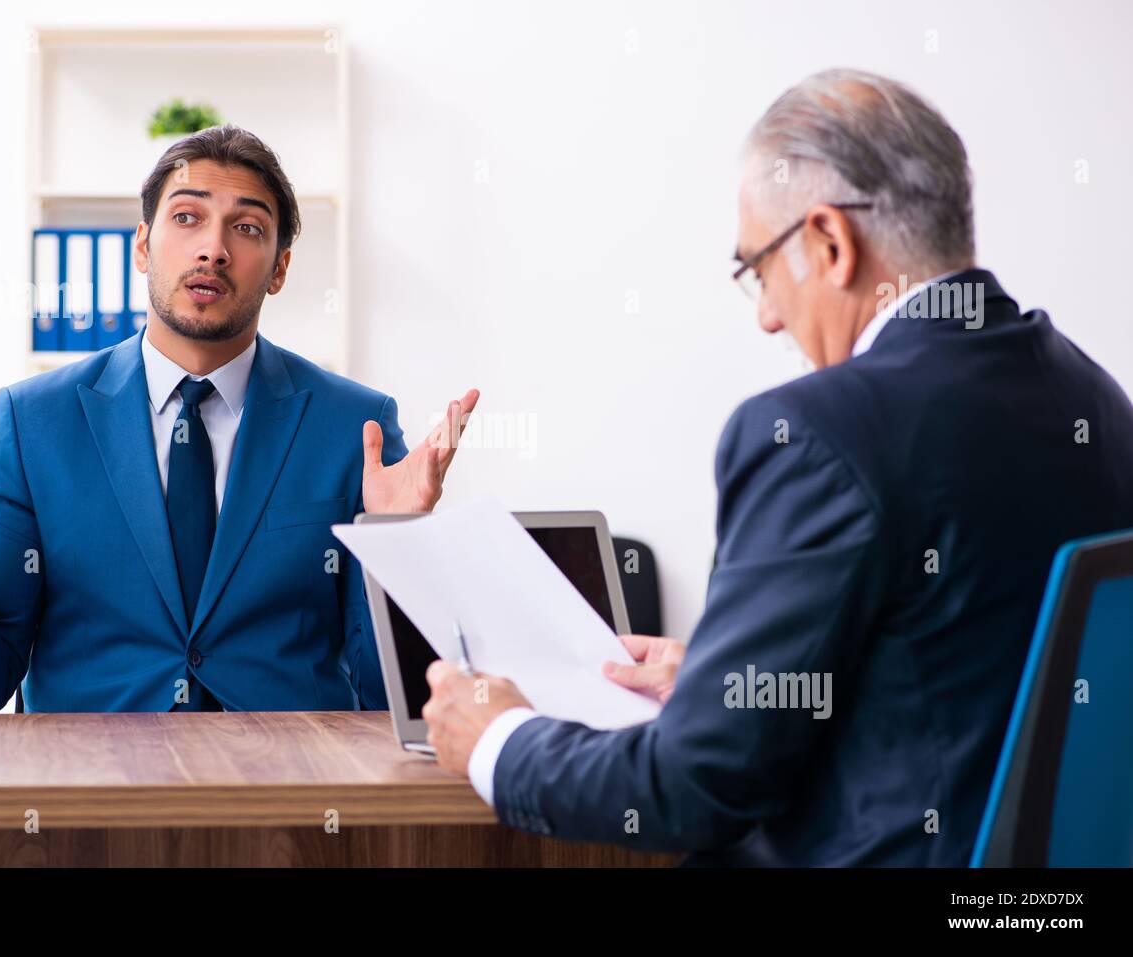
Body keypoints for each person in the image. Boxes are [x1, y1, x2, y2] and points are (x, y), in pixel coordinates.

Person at [421, 69, 1133, 865]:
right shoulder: (1098, 402)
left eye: (758, 268)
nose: (765, 316)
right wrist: (729, 685)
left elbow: (692, 791)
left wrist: (500, 740)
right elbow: (975, 670)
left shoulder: (816, 432)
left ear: (831, 241)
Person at [0, 125, 478, 714]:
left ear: (280, 269)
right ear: (142, 245)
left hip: (292, 796)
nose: (214, 247)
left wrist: (399, 548)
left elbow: (388, 698)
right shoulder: (34, 423)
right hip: (92, 800)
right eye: (187, 218)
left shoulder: (354, 426)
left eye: (247, 227)